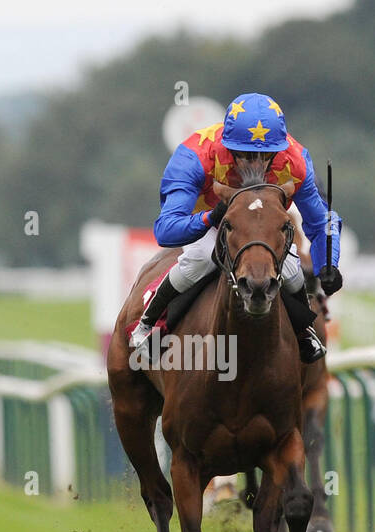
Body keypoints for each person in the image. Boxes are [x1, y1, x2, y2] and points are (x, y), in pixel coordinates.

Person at [129, 92, 342, 363]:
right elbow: (166, 230)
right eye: (245, 155)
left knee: (291, 271)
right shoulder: (195, 156)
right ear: (228, 147)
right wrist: (211, 217)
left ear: (277, 149)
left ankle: (304, 330)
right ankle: (146, 325)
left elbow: (320, 221)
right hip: (208, 222)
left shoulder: (295, 160)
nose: (255, 164)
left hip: (262, 227)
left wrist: (328, 266)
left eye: (265, 156)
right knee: (200, 259)